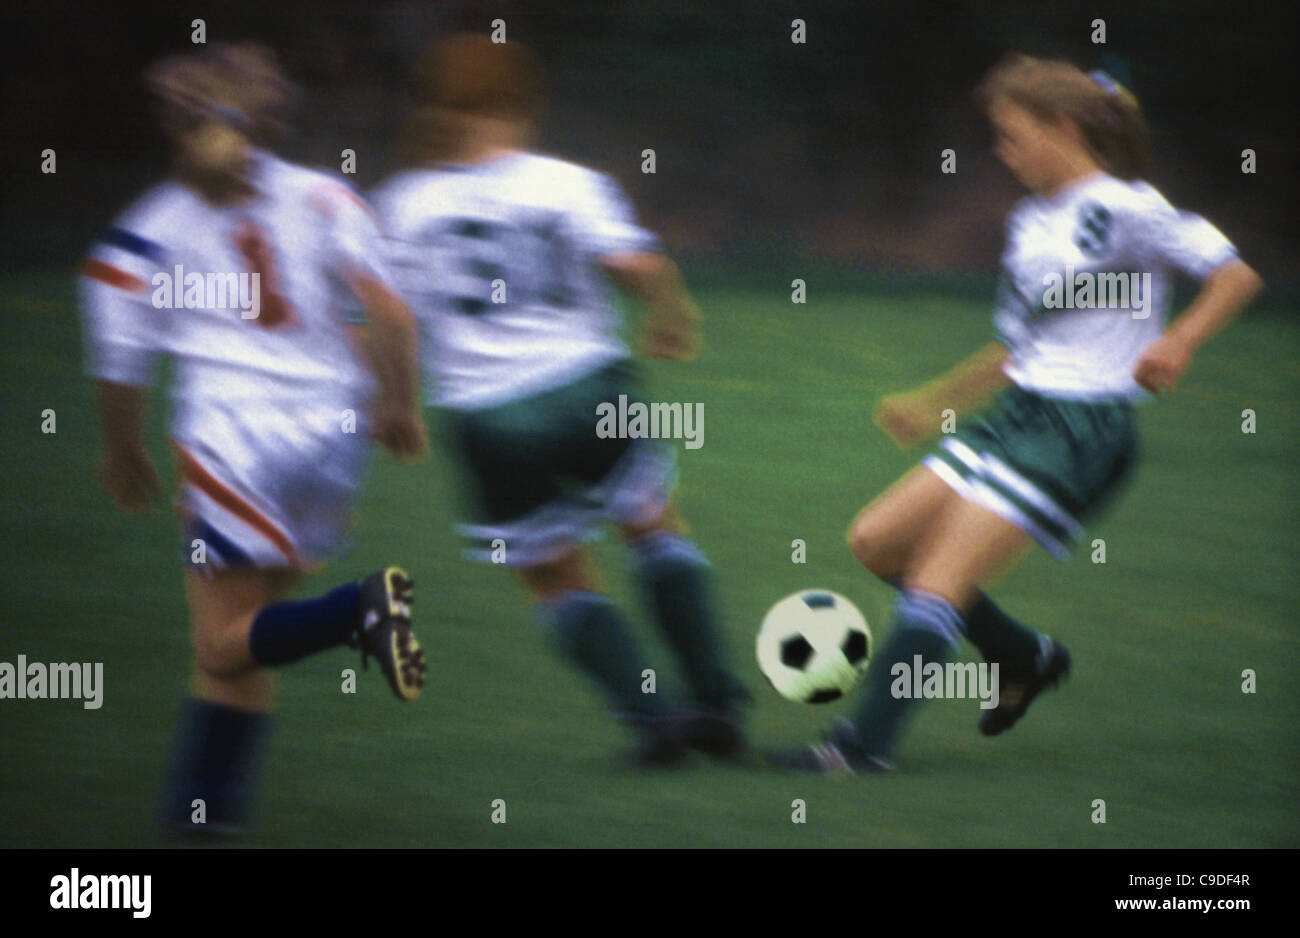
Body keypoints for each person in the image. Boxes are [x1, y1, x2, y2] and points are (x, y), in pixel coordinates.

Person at [768, 54, 1264, 774]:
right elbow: (1018, 343)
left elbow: (1235, 276)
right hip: (1020, 414)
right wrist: (934, 401)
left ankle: (858, 750)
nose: (1002, 152)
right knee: (878, 543)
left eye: (1011, 135)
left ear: (1061, 127)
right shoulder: (1030, 222)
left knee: (938, 578)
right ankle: (1021, 657)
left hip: (1083, 428)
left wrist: (1179, 341)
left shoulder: (1126, 206)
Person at [79, 43, 429, 832]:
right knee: (244, 643)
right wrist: (400, 407)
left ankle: (360, 614)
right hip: (334, 434)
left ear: (172, 127)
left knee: (220, 645)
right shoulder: (324, 197)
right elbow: (392, 315)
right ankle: (207, 817)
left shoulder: (139, 239)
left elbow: (118, 368)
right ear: (270, 117)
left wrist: (122, 449)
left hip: (231, 437)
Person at [372, 35, 748, 765]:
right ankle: (717, 703)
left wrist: (396, 405)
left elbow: (387, 319)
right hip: (589, 385)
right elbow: (631, 261)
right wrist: (672, 311)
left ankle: (653, 721)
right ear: (522, 104)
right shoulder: (567, 181)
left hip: (489, 414)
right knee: (653, 526)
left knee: (553, 572)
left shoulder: (402, 204)